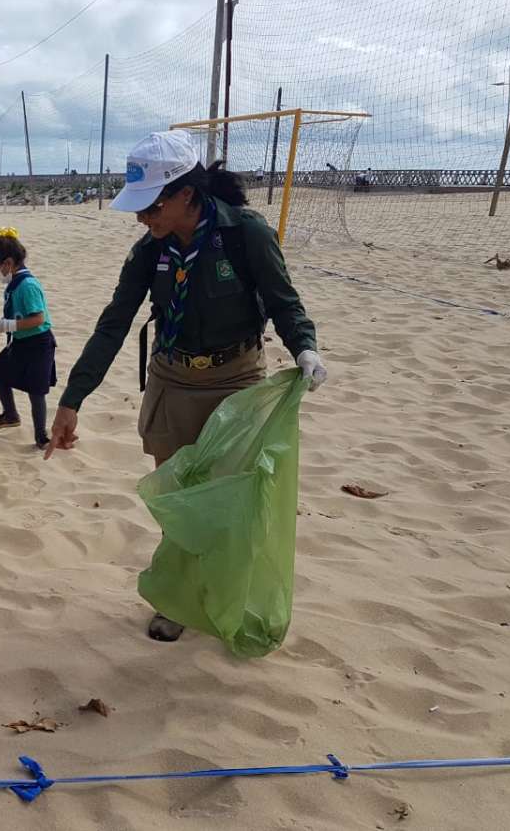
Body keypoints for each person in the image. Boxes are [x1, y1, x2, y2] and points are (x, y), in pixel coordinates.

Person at [45, 129, 327, 643]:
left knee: (229, 503)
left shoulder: (245, 235)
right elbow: (113, 324)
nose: (142, 217)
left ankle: (223, 595)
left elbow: (284, 302)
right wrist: (72, 399)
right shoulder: (147, 252)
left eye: (151, 205)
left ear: (186, 195)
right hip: (172, 381)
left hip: (236, 382)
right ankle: (178, 599)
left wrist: (304, 347)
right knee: (180, 500)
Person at [0, 227, 56, 449]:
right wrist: (6, 322)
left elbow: (38, 319)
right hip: (20, 341)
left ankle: (41, 435)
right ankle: (11, 414)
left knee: (36, 391)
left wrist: (9, 324)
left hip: (38, 343)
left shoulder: (27, 285)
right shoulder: (14, 283)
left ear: (7, 263)